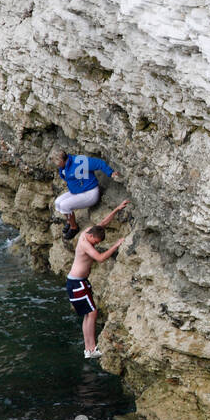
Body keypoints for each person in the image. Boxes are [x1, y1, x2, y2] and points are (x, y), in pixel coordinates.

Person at [66, 200, 130, 359]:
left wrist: (116, 208)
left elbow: (102, 224)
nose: (96, 244)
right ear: (90, 236)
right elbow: (100, 258)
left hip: (76, 282)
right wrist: (116, 245)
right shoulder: (85, 242)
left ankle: (88, 349)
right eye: (96, 242)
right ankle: (91, 348)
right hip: (77, 283)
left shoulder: (90, 231)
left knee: (89, 314)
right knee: (92, 313)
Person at [50, 149, 119, 240]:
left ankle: (74, 227)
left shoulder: (79, 161)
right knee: (58, 202)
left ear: (61, 161)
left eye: (56, 163)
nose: (56, 165)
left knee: (64, 205)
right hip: (78, 192)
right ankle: (69, 221)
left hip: (90, 193)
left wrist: (111, 173)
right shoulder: (63, 167)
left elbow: (99, 163)